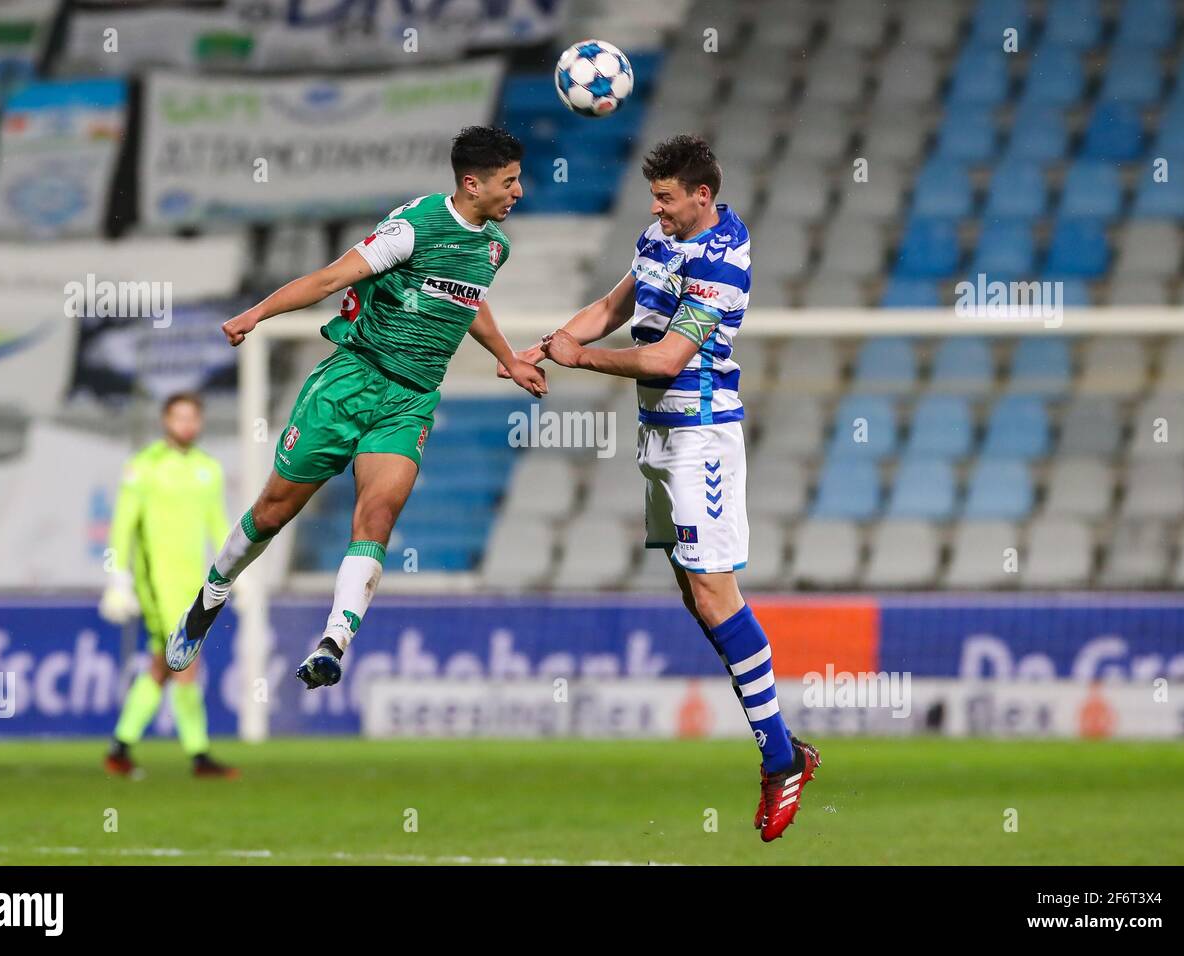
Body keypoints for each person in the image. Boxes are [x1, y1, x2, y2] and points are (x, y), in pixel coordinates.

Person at [163, 126, 547, 692]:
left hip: (410, 402)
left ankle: (332, 643)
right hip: (350, 382)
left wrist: (509, 358)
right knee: (272, 511)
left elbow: (469, 300)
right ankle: (211, 595)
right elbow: (330, 278)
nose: (519, 191)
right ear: (473, 183)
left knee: (376, 518)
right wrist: (255, 315)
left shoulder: (495, 247)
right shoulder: (411, 229)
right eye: (509, 182)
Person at [526, 135, 820, 842]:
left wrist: (583, 359)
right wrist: (548, 346)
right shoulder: (659, 236)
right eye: (652, 196)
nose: (655, 207)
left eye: (666, 197)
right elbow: (614, 302)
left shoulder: (723, 267)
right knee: (696, 594)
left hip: (701, 438)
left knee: (717, 593)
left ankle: (781, 759)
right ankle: (784, 749)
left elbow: (664, 358)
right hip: (658, 439)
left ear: (702, 198)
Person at [100, 392, 238, 778]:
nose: (186, 424)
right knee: (186, 661)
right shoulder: (143, 467)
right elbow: (122, 526)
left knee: (162, 665)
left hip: (194, 583)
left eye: (193, 417)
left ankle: (120, 747)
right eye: (179, 417)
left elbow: (218, 525)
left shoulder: (208, 469)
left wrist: (237, 571)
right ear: (165, 420)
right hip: (157, 582)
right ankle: (199, 755)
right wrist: (117, 579)